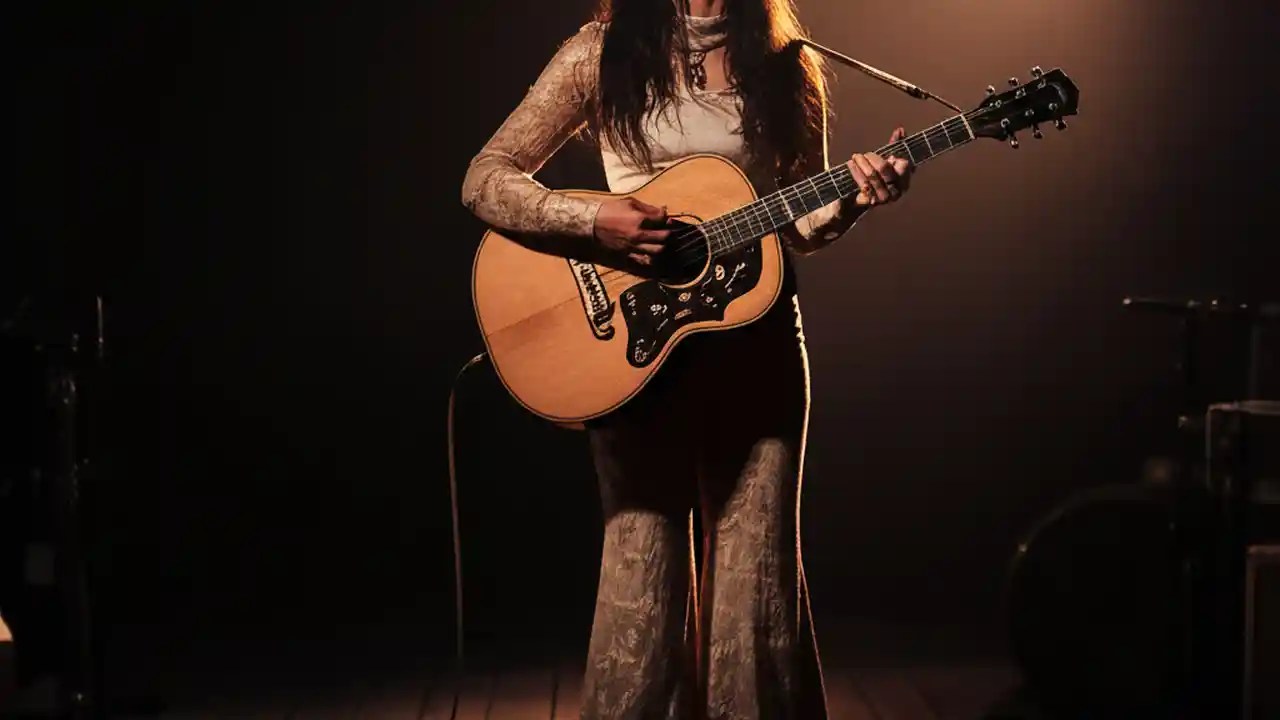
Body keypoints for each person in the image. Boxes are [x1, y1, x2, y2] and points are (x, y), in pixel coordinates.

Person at [460, 1, 912, 717]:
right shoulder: (599, 55)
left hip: (755, 345)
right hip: (631, 352)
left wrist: (853, 201)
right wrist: (594, 219)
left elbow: (799, 221)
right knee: (641, 578)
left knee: (755, 587)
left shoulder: (785, 64)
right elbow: (485, 178)